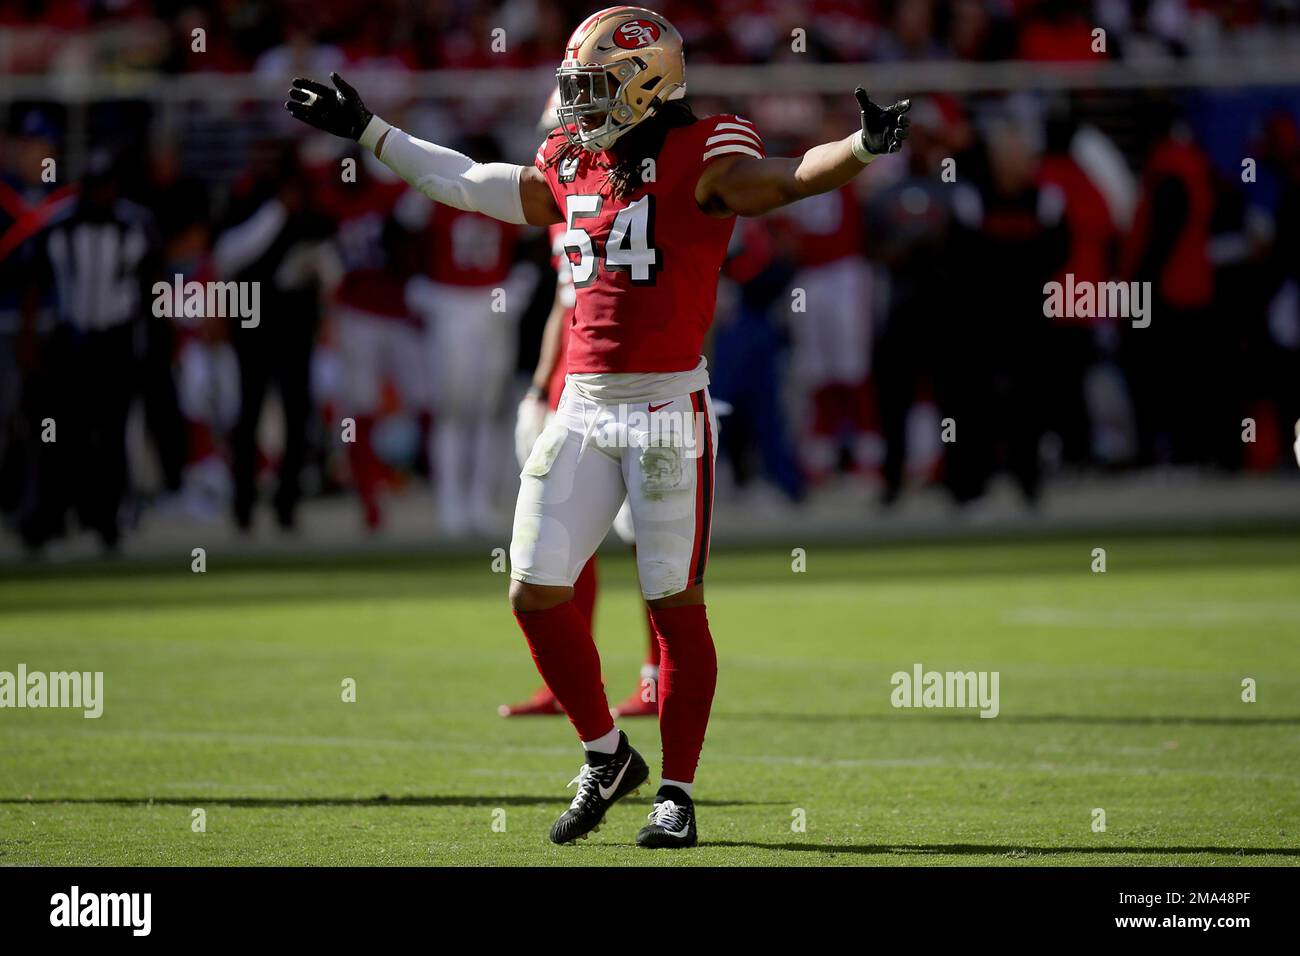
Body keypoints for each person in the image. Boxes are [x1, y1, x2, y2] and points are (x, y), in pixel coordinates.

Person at [286, 5, 909, 848]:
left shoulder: (705, 148)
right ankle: (607, 755)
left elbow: (788, 179)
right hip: (582, 403)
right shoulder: (573, 158)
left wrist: (862, 149)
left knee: (674, 605)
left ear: (647, 82)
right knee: (534, 589)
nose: (578, 102)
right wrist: (369, 130)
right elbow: (470, 182)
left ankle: (679, 793)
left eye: (596, 84)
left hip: (664, 409)